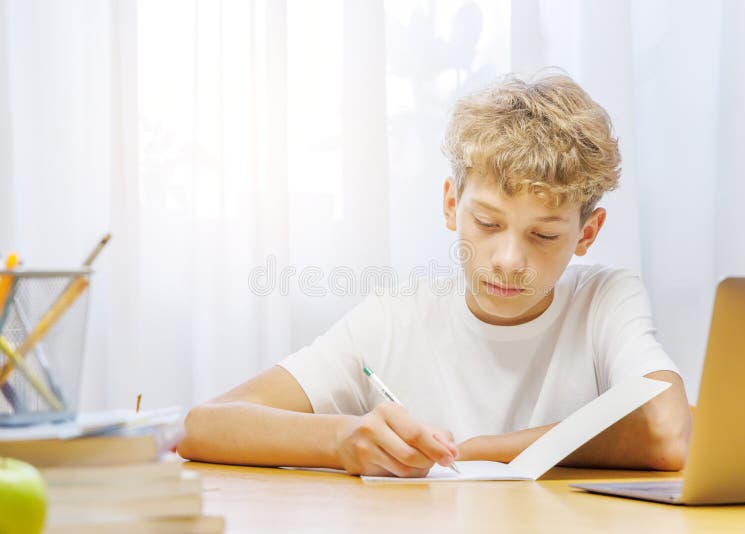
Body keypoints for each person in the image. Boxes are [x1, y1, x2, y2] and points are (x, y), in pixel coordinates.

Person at [177, 73, 692, 477]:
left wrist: (482, 451)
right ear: (451, 204)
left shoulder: (604, 300)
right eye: (487, 223)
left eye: (544, 236)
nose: (508, 260)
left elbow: (668, 431)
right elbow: (204, 426)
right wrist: (342, 440)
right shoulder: (396, 320)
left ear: (587, 232)